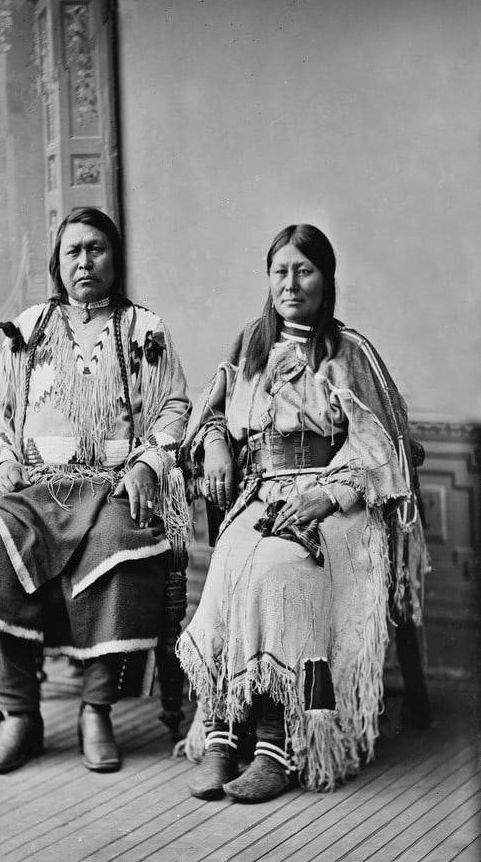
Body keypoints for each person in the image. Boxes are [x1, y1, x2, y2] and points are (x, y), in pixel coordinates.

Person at [177, 224, 428, 803]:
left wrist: (328, 494)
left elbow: (380, 445)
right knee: (230, 565)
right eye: (280, 271)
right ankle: (222, 733)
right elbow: (211, 416)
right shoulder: (248, 348)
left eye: (304, 270)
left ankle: (279, 742)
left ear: (326, 279)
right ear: (268, 280)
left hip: (335, 502)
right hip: (262, 492)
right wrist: (215, 441)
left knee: (280, 571)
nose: (291, 283)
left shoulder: (348, 353)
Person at [0, 208, 192, 774]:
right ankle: (20, 715)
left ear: (115, 258)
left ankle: (97, 710)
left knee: (118, 542)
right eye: (73, 251)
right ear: (57, 263)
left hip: (113, 487)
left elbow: (175, 407)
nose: (84, 261)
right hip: (38, 488)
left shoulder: (145, 330)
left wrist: (147, 465)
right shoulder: (29, 327)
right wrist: (6, 459)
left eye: (96, 249)